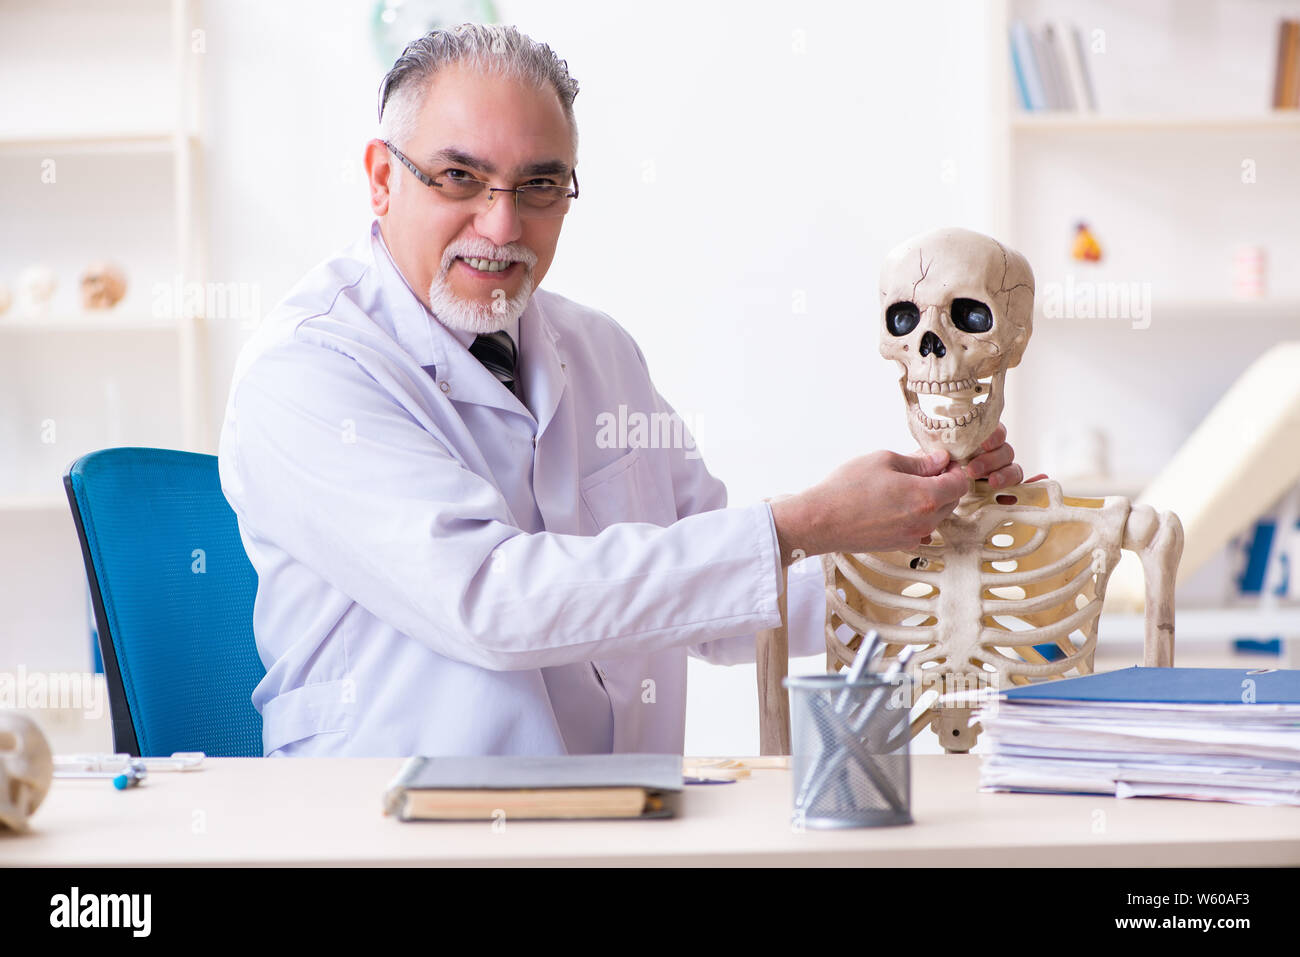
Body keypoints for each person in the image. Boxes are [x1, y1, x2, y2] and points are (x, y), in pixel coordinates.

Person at [217, 24, 1025, 757]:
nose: (501, 227)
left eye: (540, 185)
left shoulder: (596, 349)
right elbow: (491, 600)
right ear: (381, 179)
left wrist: (929, 536)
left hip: (624, 812)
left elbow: (727, 584)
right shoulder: (307, 371)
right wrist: (803, 522)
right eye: (460, 176)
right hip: (392, 823)